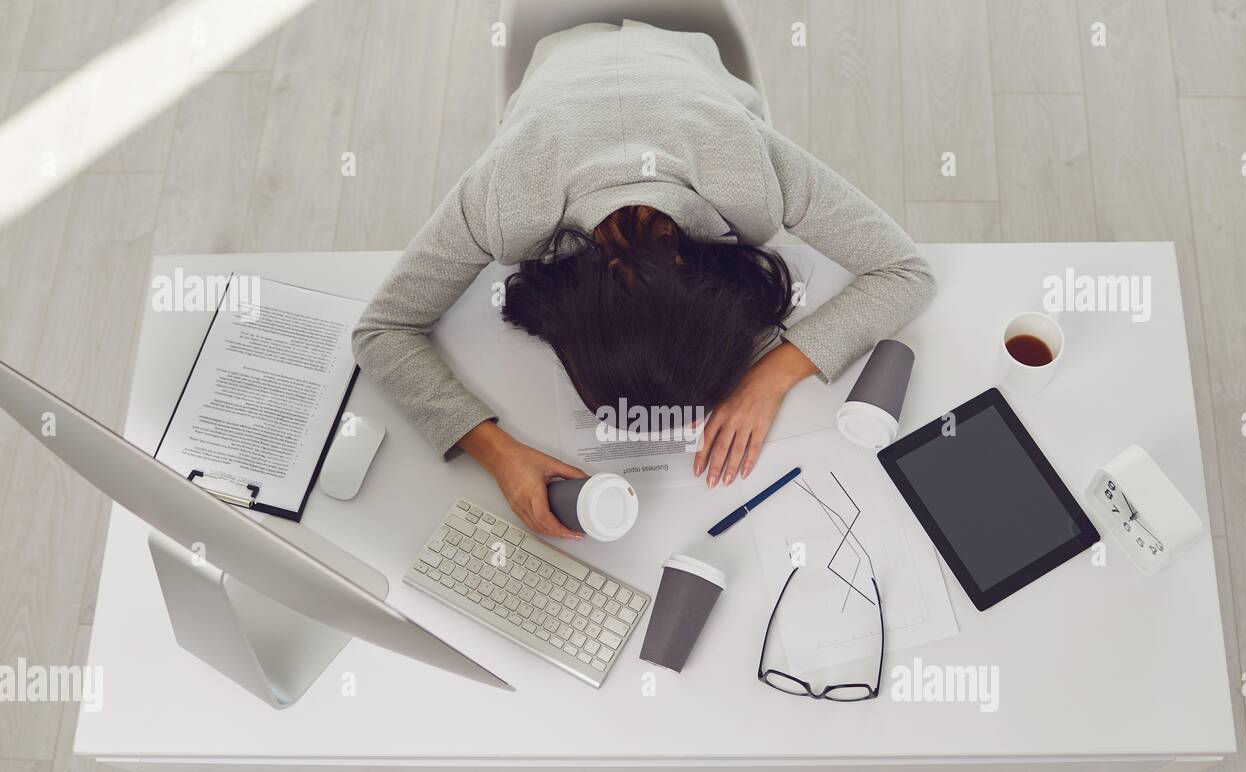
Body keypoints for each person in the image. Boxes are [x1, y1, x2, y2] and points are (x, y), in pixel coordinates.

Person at [352, 20, 935, 539]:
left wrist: (770, 377)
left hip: (685, 56)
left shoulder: (746, 164)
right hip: (564, 57)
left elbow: (906, 272)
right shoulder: (506, 198)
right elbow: (381, 330)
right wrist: (497, 452)